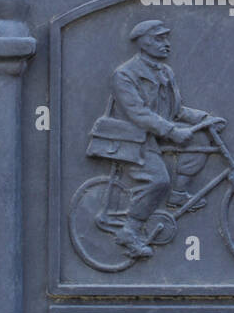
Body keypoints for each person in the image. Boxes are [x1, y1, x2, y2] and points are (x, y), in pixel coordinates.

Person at [86, 21, 223, 258]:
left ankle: (178, 194)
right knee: (158, 180)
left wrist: (205, 118)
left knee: (200, 142)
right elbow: (138, 114)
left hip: (156, 133)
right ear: (144, 42)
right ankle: (129, 231)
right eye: (159, 39)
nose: (167, 44)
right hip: (132, 139)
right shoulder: (125, 75)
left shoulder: (165, 72)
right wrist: (172, 131)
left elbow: (177, 110)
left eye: (166, 39)